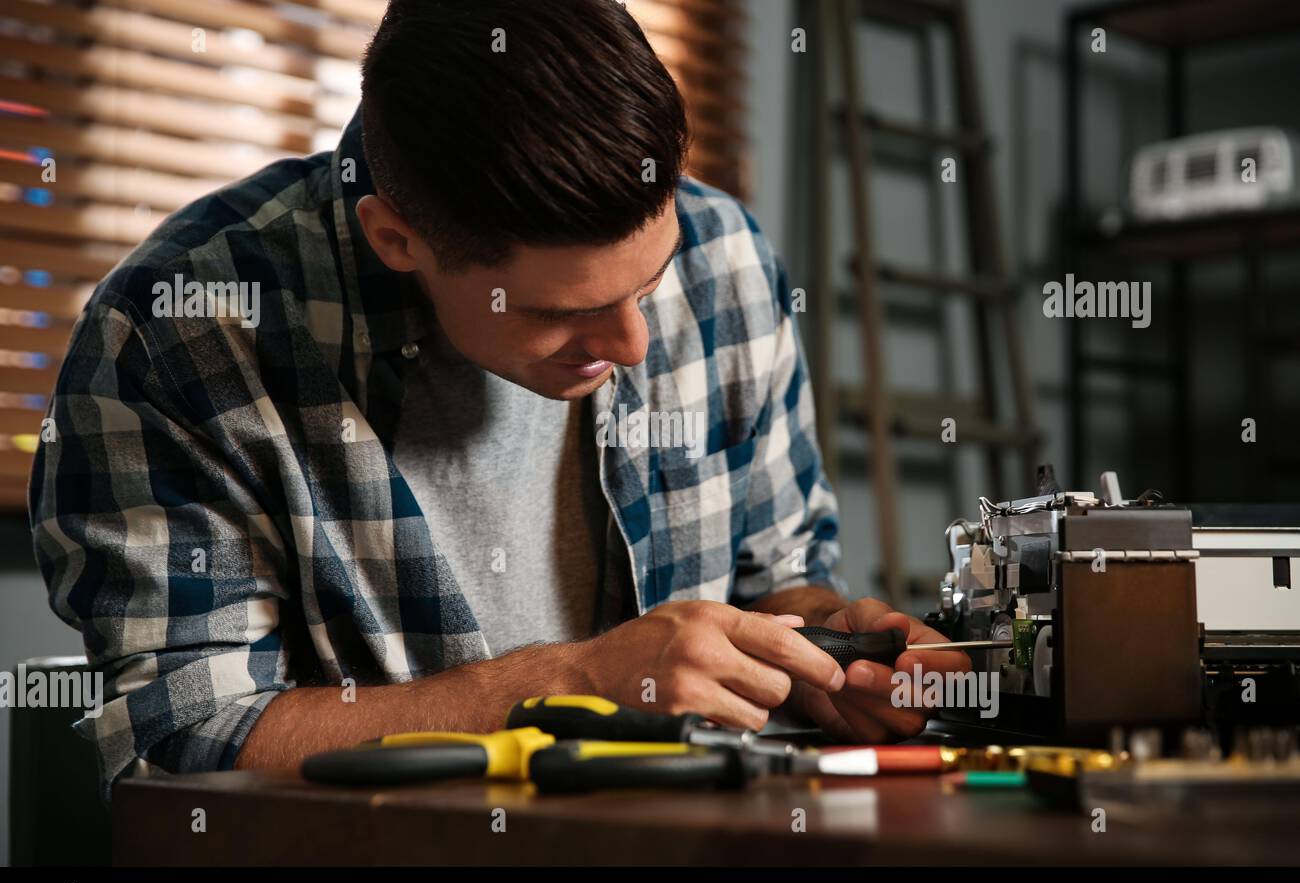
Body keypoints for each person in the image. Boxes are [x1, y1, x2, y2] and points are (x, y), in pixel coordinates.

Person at [29, 0, 969, 794]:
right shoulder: (179, 334)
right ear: (398, 240)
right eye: (566, 312)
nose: (634, 344)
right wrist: (583, 680)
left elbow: (777, 584)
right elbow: (185, 743)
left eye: (649, 285)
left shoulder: (726, 259)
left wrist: (825, 665)